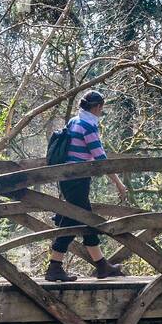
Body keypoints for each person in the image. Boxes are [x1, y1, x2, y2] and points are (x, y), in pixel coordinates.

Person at [45, 90, 129, 282]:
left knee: (83, 220)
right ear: (97, 107)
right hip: (77, 179)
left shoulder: (75, 121)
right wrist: (119, 184)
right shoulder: (88, 126)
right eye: (101, 108)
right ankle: (55, 266)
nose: (101, 111)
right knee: (79, 219)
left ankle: (101, 266)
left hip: (68, 178)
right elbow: (101, 159)